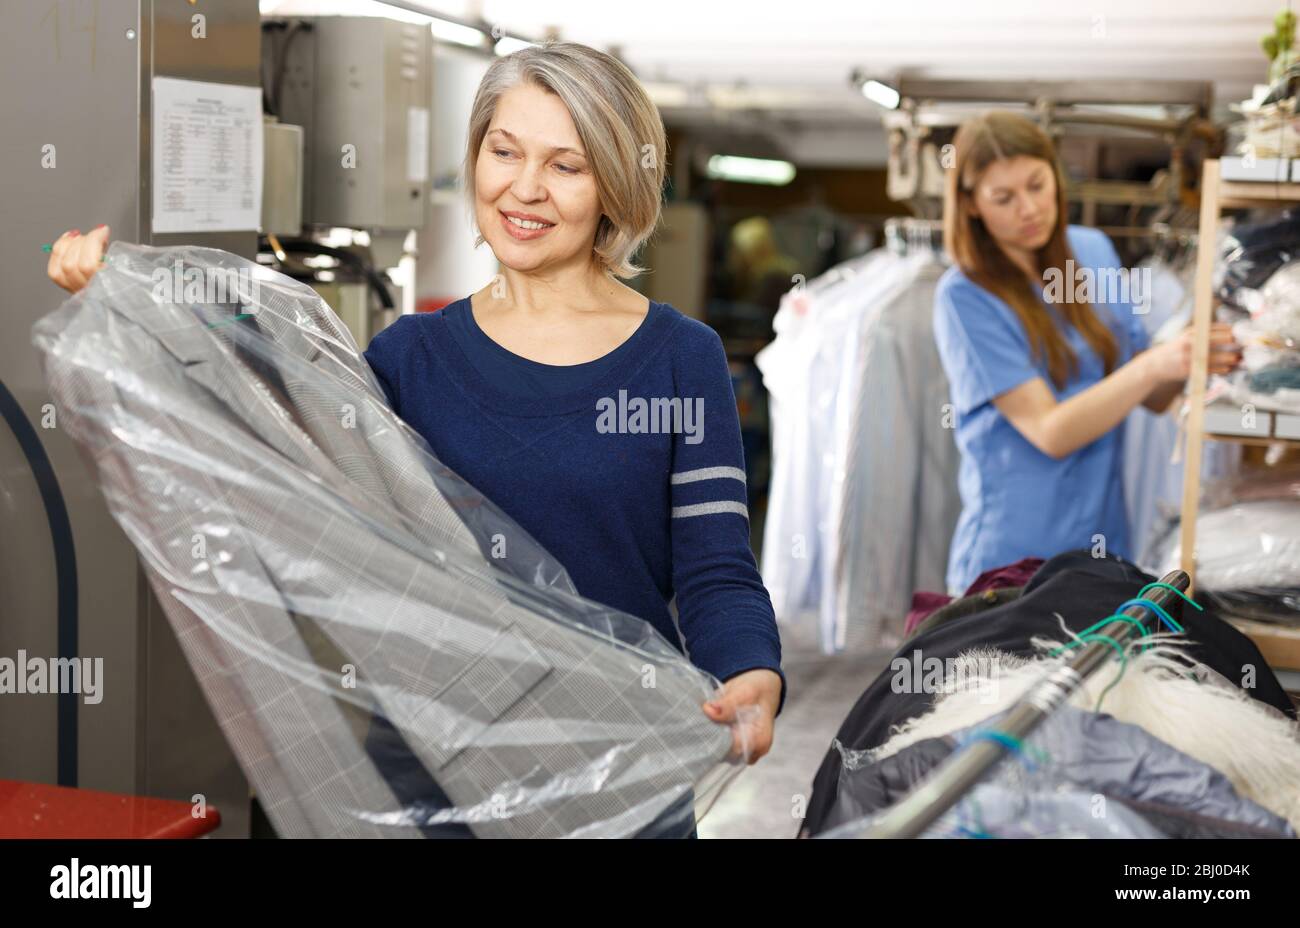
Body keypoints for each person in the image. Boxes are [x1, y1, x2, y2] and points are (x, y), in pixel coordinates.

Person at [48, 43, 784, 835]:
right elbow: (268, 450)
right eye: (504, 152)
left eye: (566, 165)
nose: (524, 188)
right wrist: (135, 302)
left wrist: (751, 670)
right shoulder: (408, 358)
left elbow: (714, 570)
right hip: (437, 779)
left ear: (615, 183)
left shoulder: (679, 359)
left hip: (619, 773)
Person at [933, 111, 1239, 593]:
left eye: (1037, 185)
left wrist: (1202, 332)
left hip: (1099, 545)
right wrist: (1156, 363)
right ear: (970, 205)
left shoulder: (1092, 252)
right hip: (1010, 562)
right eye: (1004, 198)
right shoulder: (964, 296)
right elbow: (1051, 431)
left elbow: (1153, 397)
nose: (1029, 208)